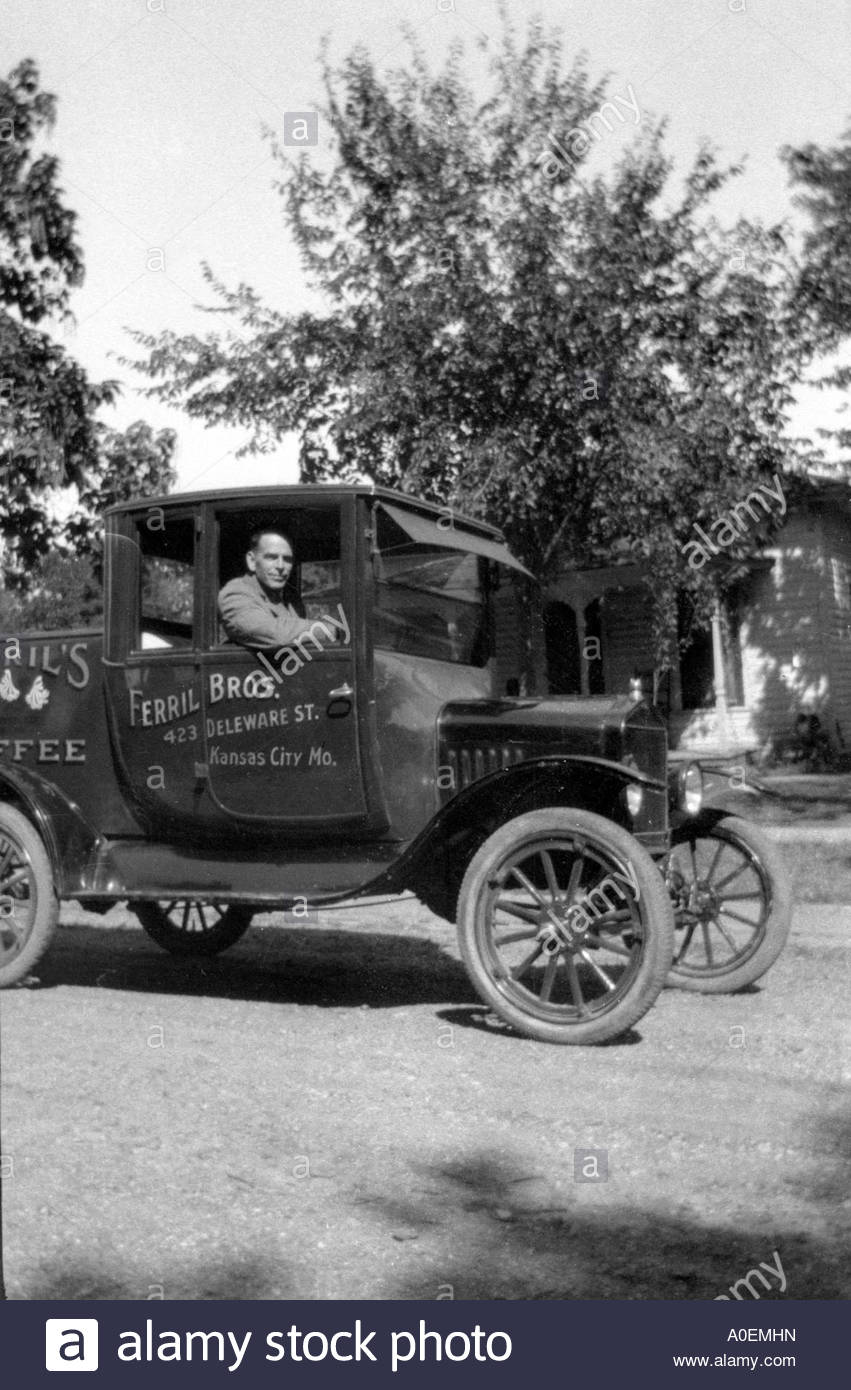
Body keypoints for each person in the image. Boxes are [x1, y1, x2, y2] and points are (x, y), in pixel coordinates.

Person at [218, 529, 315, 647]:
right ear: (252, 561)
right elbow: (276, 635)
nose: (280, 566)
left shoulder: (291, 598)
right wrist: (331, 629)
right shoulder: (235, 593)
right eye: (271, 557)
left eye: (287, 559)